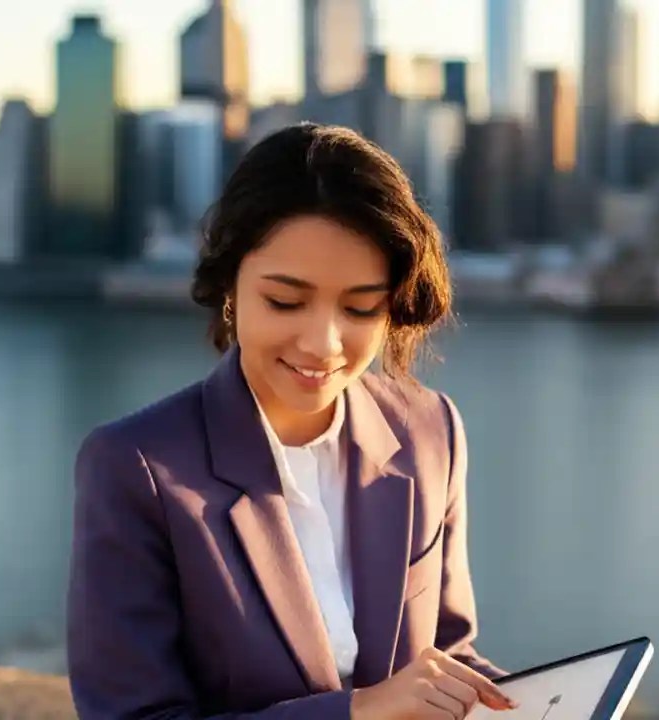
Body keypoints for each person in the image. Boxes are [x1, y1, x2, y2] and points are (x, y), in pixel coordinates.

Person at [67, 123, 517, 720]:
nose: (322, 344)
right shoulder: (136, 468)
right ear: (230, 285)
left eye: (361, 308)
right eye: (285, 301)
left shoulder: (431, 432)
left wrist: (540, 704)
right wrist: (356, 712)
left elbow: (449, 658)